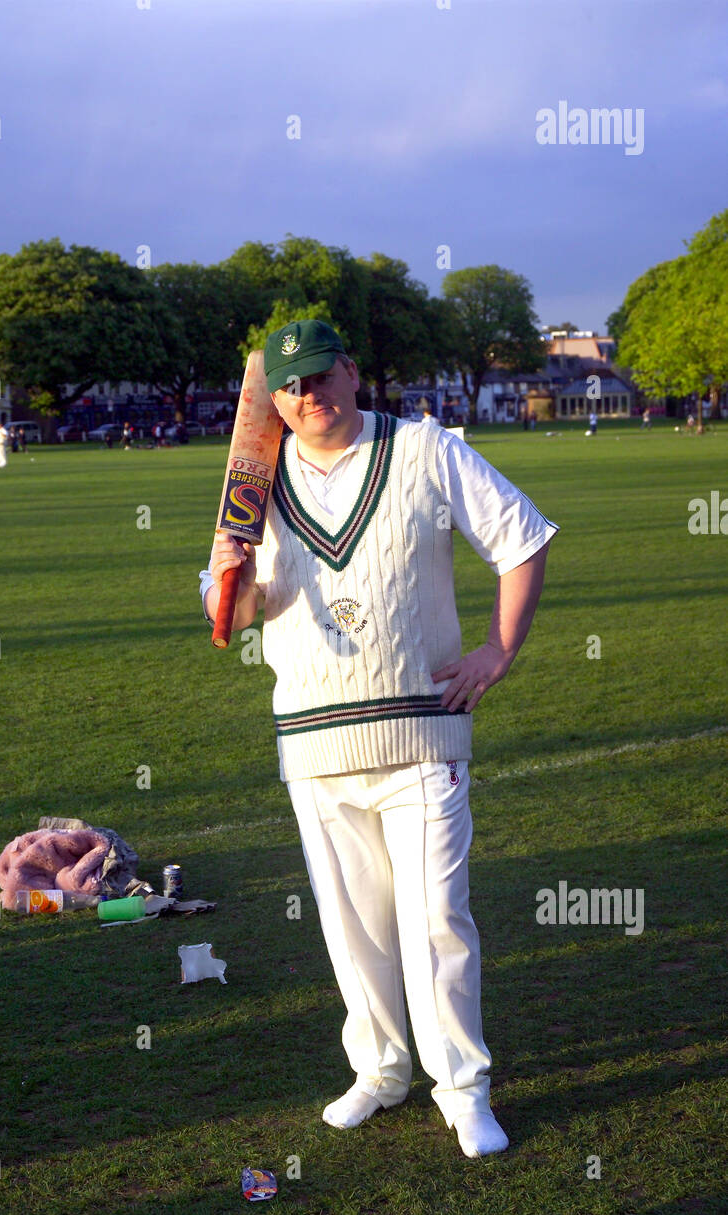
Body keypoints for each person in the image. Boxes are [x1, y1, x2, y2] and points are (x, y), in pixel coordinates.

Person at [199, 320, 558, 1158]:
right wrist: (234, 576)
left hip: (423, 733)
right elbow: (236, 619)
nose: (307, 396)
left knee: (436, 917)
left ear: (352, 372)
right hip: (315, 743)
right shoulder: (253, 489)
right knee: (351, 923)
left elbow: (524, 538)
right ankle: (382, 1070)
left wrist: (497, 652)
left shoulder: (428, 449)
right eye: (289, 386)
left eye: (321, 376)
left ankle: (464, 1089)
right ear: (274, 398)